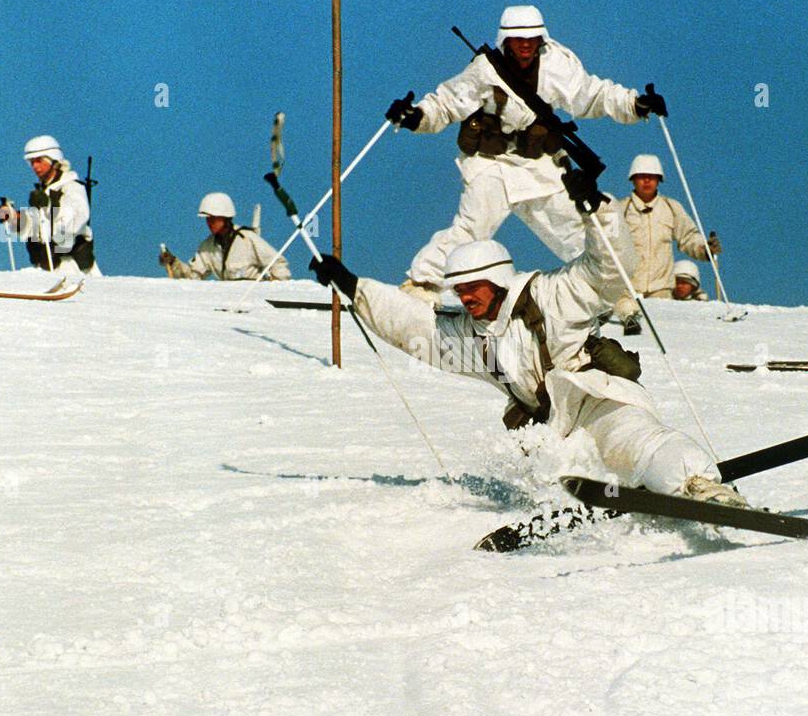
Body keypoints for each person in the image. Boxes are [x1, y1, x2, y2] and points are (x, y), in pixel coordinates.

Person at [307, 189, 745, 507]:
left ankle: (703, 487)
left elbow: (608, 271)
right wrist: (352, 286)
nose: (465, 298)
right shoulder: (469, 334)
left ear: (497, 279)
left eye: (472, 288)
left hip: (597, 402)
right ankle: (619, 490)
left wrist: (598, 214)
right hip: (549, 430)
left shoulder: (551, 296)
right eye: (459, 291)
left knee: (638, 443)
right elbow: (410, 325)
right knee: (554, 471)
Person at [385, 4, 667, 305]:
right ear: (504, 39)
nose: (525, 44)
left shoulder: (557, 64)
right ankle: (422, 284)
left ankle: (609, 291)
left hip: (538, 165)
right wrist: (416, 117)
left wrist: (635, 104)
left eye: (532, 38)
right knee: (472, 226)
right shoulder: (485, 69)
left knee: (573, 227)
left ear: (541, 39)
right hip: (491, 163)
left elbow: (592, 94)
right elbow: (448, 102)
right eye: (518, 38)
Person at [612, 154, 720, 333]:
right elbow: (606, 243)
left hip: (661, 289)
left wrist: (704, 249)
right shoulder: (620, 209)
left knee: (664, 333)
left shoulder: (671, 207)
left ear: (659, 180)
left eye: (652, 176)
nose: (647, 180)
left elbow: (688, 236)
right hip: (628, 288)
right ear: (633, 179)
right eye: (641, 176)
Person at [0, 135, 98, 274]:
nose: (35, 166)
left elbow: (73, 223)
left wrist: (48, 206)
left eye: (39, 161)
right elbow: (37, 228)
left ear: (53, 160)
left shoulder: (72, 188)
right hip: (46, 269)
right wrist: (15, 218)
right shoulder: (42, 192)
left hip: (73, 269)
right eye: (32, 162)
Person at [159, 192, 290, 281]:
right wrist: (173, 263)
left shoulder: (247, 239)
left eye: (213, 219)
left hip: (255, 303)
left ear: (225, 217)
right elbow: (192, 276)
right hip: (228, 304)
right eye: (207, 219)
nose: (209, 223)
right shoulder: (207, 247)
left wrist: (276, 288)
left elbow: (278, 263)